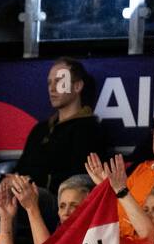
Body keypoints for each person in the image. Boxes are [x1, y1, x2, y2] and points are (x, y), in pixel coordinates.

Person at [12, 58, 108, 194]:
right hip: (24, 194)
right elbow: (20, 168)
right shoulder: (40, 129)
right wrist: (8, 180)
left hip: (56, 198)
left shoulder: (89, 129)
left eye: (59, 81)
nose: (51, 88)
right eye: (49, 83)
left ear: (77, 86)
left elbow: (79, 178)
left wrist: (30, 181)